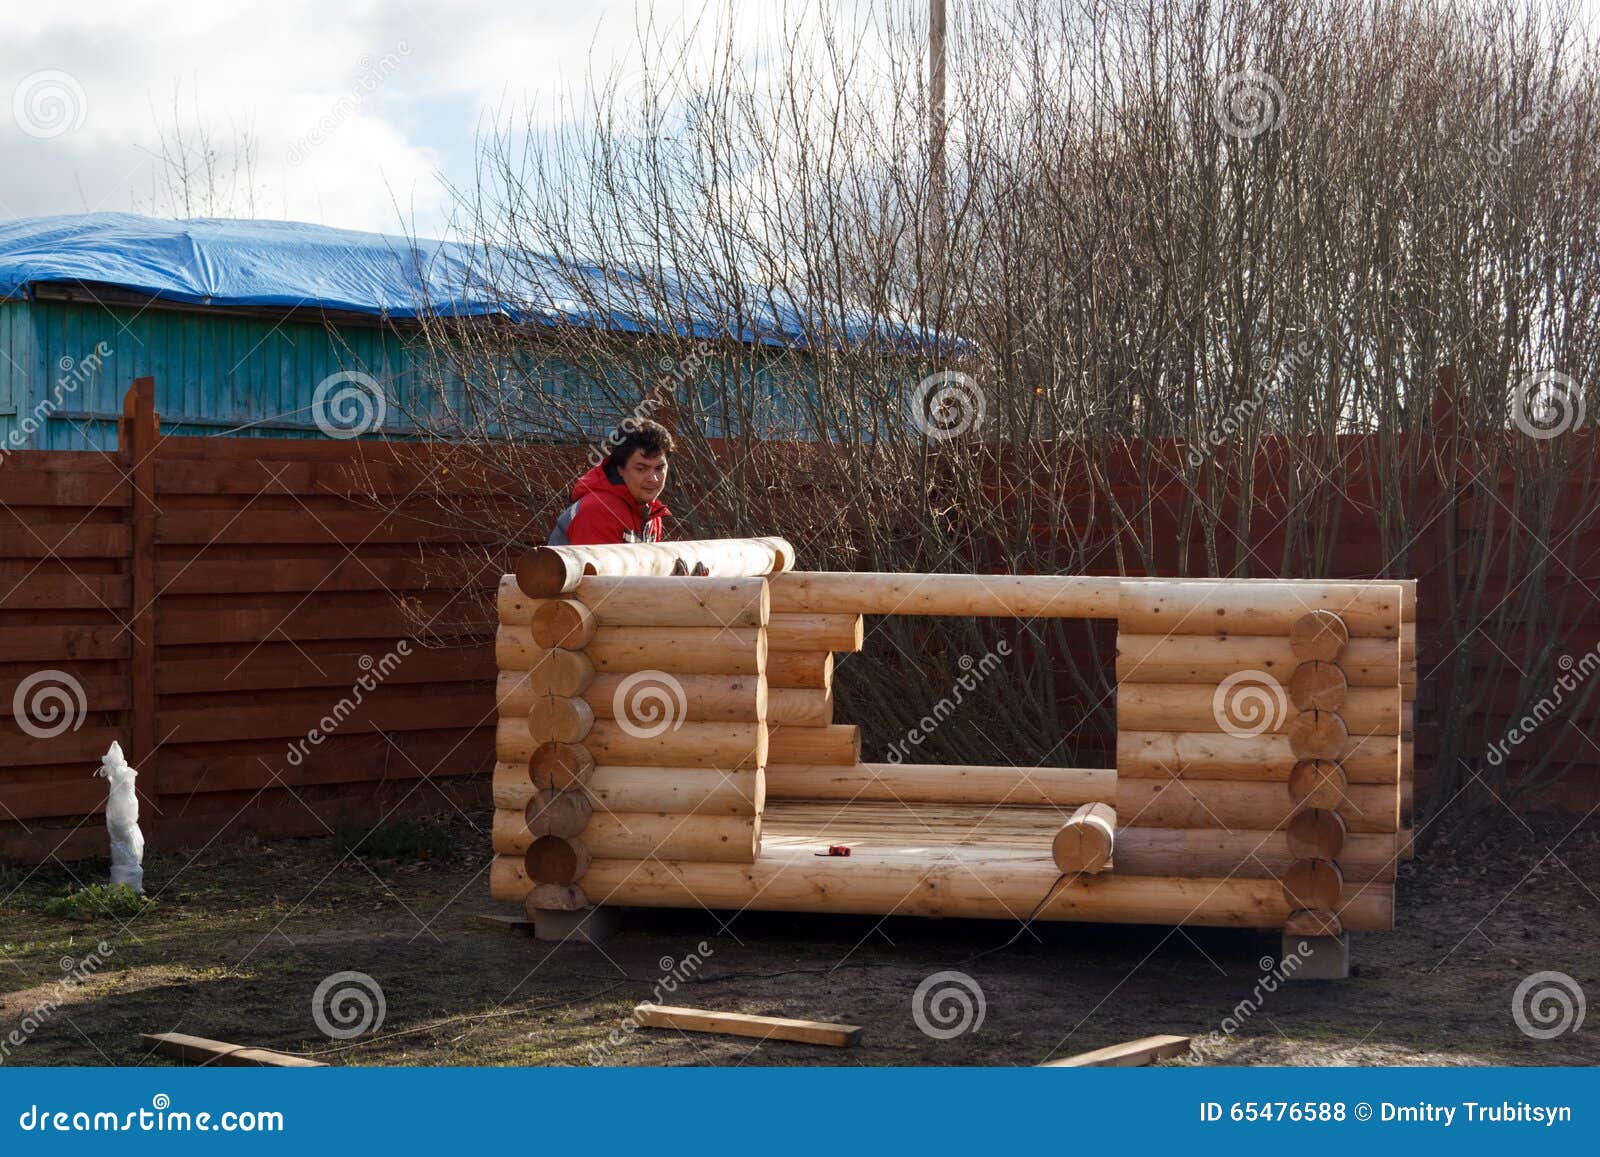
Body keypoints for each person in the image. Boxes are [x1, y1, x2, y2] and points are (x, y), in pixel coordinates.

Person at [548, 419, 674, 546]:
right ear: (620, 469)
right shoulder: (597, 510)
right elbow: (594, 560)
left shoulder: (651, 511)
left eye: (659, 468)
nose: (653, 478)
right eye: (641, 469)